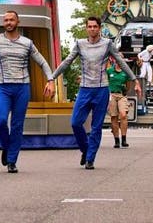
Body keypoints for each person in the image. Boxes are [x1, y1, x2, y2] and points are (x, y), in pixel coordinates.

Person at [48, 16, 140, 170]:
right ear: (86, 28)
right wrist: (52, 77)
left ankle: (90, 159)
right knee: (75, 123)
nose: (92, 29)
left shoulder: (107, 44)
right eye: (89, 26)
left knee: (96, 127)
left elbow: (121, 62)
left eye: (95, 27)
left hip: (101, 89)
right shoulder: (80, 44)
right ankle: (85, 150)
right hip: (84, 89)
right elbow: (67, 62)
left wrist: (134, 79)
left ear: (99, 28)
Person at [0, 10, 53, 174]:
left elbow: (42, 62)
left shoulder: (27, 43)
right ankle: (6, 147)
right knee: (0, 121)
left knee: (16, 125)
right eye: (6, 20)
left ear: (18, 22)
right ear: (3, 23)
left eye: (12, 20)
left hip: (22, 88)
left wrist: (50, 80)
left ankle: (12, 160)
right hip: (3, 87)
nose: (9, 22)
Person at [106, 57, 134, 148]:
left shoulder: (125, 72)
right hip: (112, 95)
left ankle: (124, 139)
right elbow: (105, 82)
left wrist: (125, 90)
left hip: (121, 95)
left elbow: (128, 85)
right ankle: (116, 140)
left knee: (123, 115)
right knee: (114, 117)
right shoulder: (109, 71)